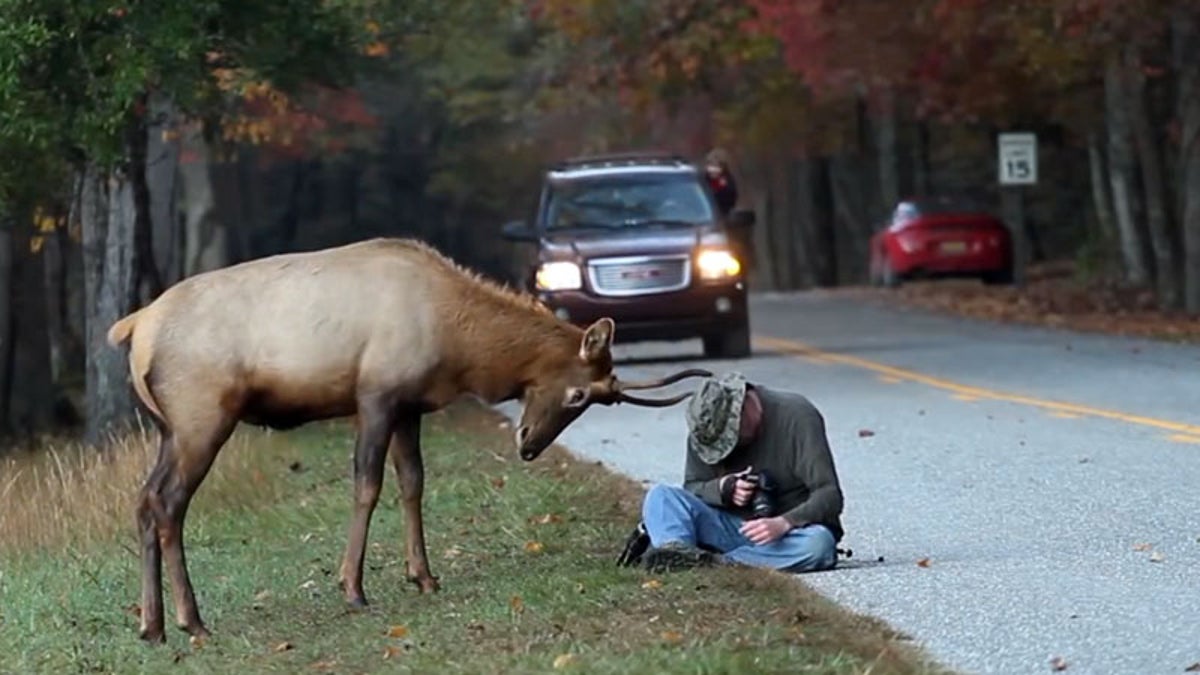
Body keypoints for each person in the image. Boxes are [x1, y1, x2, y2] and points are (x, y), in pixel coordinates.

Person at [617, 372, 845, 573]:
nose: (729, 449)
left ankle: (715, 563)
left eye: (730, 440)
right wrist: (723, 489)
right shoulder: (706, 428)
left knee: (819, 545)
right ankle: (675, 551)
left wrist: (784, 522)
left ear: (743, 407)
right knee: (661, 496)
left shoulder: (796, 415)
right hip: (727, 526)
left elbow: (829, 495)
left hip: (786, 536)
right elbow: (692, 488)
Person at [704, 148, 739, 217]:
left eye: (716, 166)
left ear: (723, 167)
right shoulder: (701, 182)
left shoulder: (728, 185)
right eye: (711, 165)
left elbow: (730, 203)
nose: (713, 170)